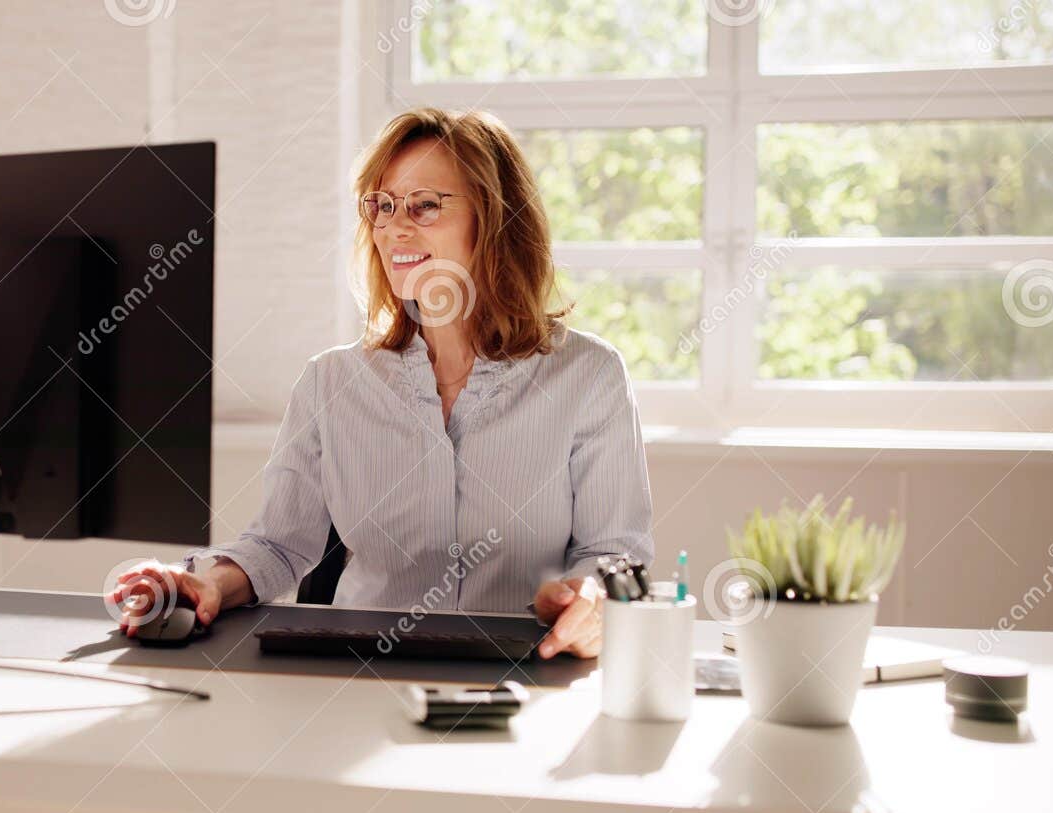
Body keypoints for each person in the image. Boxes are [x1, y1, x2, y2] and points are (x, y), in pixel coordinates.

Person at [108, 107, 653, 659]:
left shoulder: (588, 376)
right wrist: (205, 584)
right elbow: (278, 545)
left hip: (524, 672)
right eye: (382, 206)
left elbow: (614, 553)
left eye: (424, 206)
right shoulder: (331, 382)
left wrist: (591, 598)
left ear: (497, 219)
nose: (395, 227)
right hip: (359, 673)